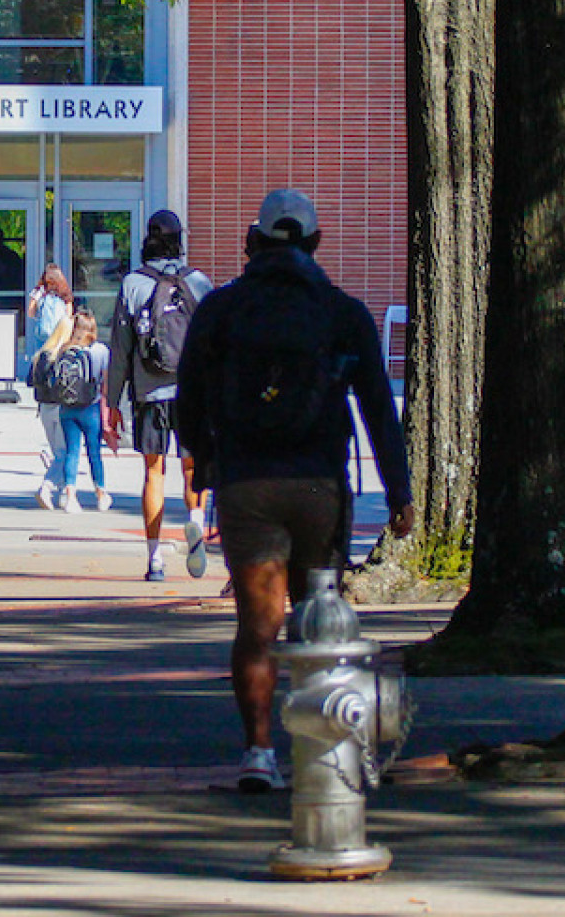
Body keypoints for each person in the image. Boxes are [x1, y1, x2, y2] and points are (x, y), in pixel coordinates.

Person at [174, 189, 414, 793]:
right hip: (319, 483)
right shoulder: (342, 312)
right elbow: (380, 410)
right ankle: (322, 753)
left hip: (247, 483)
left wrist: (205, 462)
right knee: (320, 625)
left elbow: (188, 399)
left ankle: (257, 752)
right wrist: (399, 492)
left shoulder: (222, 310)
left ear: (254, 241)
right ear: (316, 243)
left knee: (257, 626)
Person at [106, 209, 216, 581]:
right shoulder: (199, 282)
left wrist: (111, 400)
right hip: (193, 391)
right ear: (179, 240)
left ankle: (154, 559)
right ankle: (196, 524)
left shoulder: (133, 284)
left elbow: (120, 349)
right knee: (192, 468)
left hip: (149, 391)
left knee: (153, 472)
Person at [41, 308, 114, 514]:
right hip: (90, 407)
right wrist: (107, 418)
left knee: (72, 452)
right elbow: (105, 387)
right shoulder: (101, 350)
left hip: (66, 407)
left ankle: (71, 496)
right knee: (94, 453)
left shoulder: (64, 349)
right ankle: (100, 493)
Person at [26, 294, 76, 491]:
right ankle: (47, 486)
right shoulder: (68, 356)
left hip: (45, 408)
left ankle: (63, 487)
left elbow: (31, 381)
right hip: (62, 408)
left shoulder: (41, 354)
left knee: (59, 451)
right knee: (64, 452)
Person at [25, 263, 73, 366]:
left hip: (47, 331)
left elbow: (30, 312)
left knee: (44, 359)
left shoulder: (42, 291)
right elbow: (69, 313)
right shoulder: (62, 292)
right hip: (54, 332)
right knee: (54, 358)